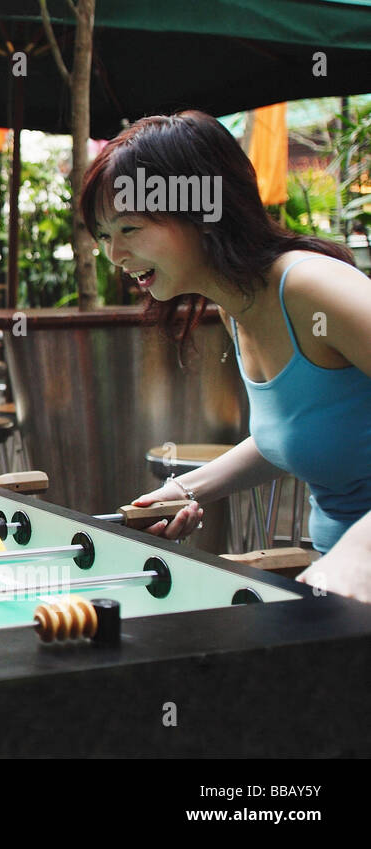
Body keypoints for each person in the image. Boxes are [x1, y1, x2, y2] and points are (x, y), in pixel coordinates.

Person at [82, 110, 371, 602]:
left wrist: (360, 552)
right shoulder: (240, 305)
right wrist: (185, 490)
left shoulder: (309, 286)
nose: (115, 255)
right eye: (106, 235)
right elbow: (298, 432)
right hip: (337, 587)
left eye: (130, 228)